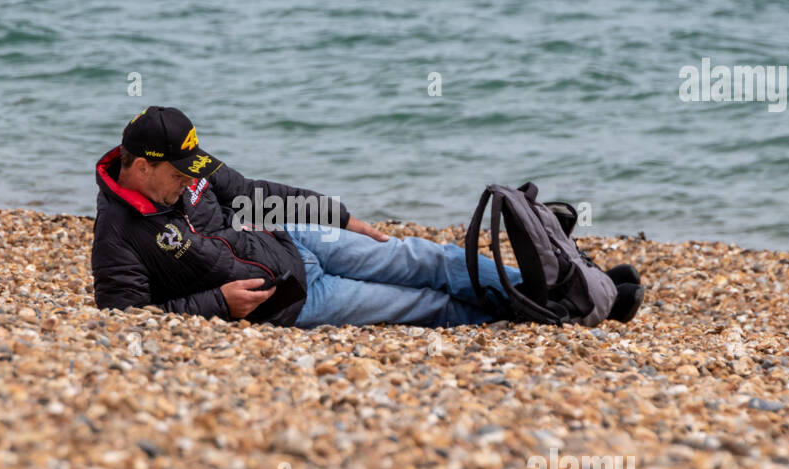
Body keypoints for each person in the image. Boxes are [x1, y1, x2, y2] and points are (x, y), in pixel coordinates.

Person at [92, 107, 625, 328]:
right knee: (428, 305)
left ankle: (566, 290)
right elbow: (128, 312)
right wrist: (218, 305)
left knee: (427, 257)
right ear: (142, 167)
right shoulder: (118, 234)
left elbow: (254, 193)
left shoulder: (192, 170)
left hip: (297, 241)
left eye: (193, 167)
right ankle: (556, 314)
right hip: (293, 299)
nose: (191, 178)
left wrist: (341, 218)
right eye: (178, 172)